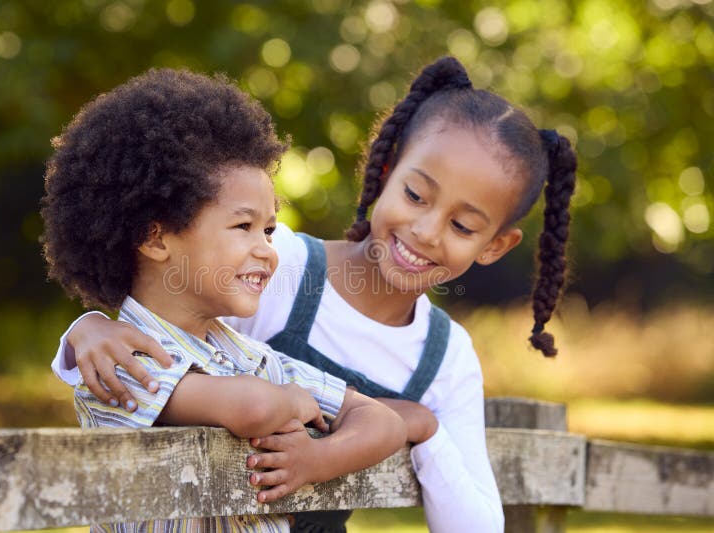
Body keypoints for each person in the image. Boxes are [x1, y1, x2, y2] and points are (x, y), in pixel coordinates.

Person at [52, 56, 577, 533]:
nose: (426, 231)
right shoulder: (277, 270)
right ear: (387, 171)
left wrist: (420, 427)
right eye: (416, 195)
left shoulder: (447, 356)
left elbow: (475, 523)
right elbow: (168, 280)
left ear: (496, 246)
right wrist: (87, 326)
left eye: (463, 226)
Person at [40, 67, 408, 532]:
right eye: (243, 226)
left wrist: (318, 457)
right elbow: (254, 409)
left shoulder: (249, 356)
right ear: (156, 238)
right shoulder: (119, 360)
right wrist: (293, 400)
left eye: (269, 230)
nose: (266, 249)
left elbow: (385, 423)